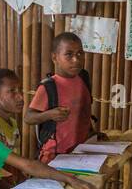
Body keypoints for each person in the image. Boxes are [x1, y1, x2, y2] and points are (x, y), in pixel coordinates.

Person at [27, 32, 98, 163]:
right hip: (54, 157)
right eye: (69, 54)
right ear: (55, 58)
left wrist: (93, 133)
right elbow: (29, 118)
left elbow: (84, 112)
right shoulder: (49, 87)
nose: (76, 60)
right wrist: (49, 114)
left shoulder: (83, 78)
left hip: (81, 152)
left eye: (80, 54)